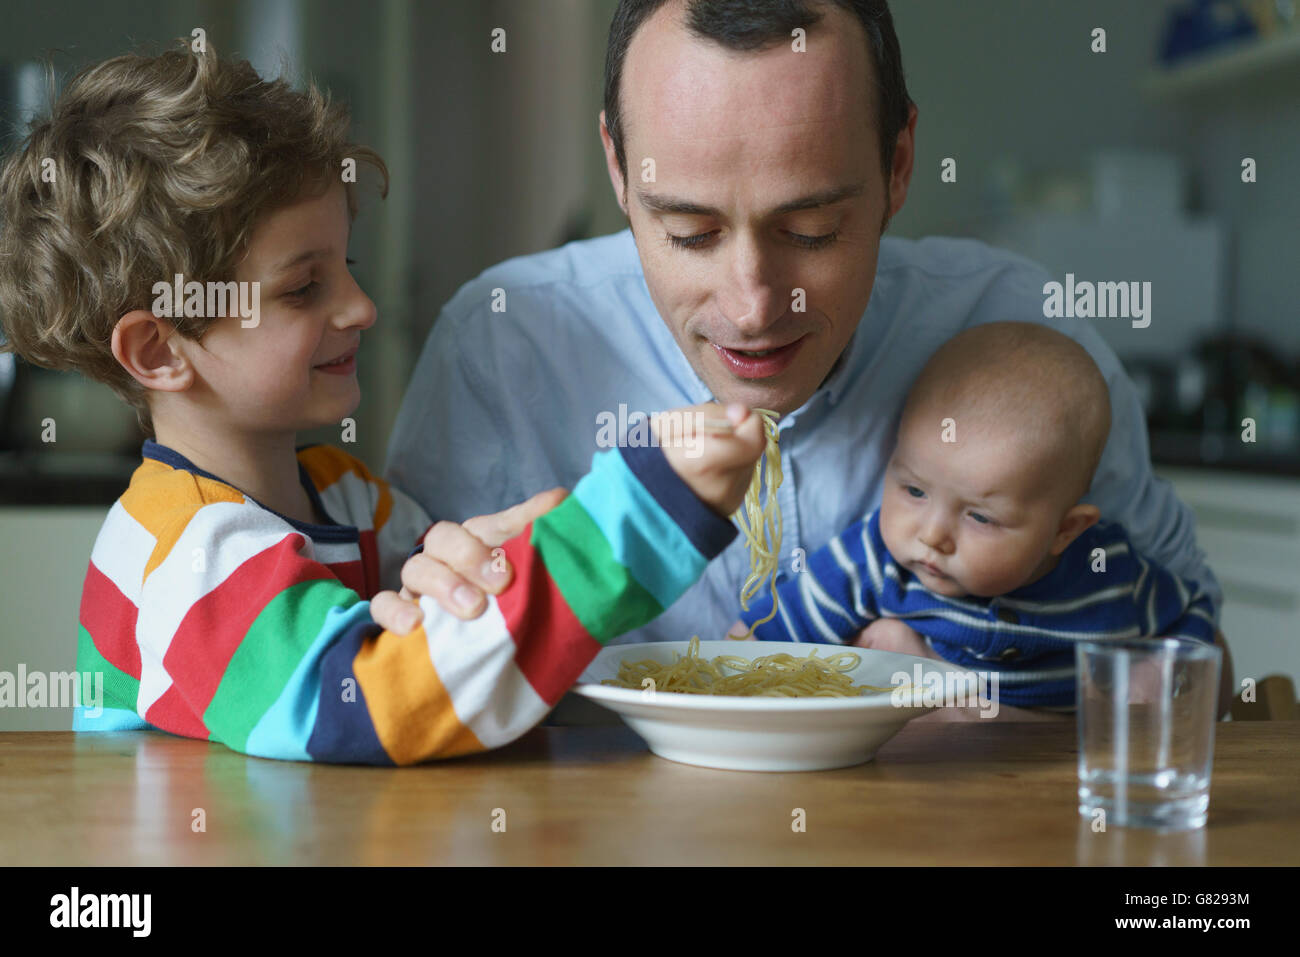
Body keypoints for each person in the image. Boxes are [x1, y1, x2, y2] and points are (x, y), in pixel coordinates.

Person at [378, 0, 1233, 719]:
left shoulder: (1025, 339)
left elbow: (1203, 682)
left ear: (899, 165)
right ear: (616, 167)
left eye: (811, 231)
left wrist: (989, 704)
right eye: (689, 232)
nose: (752, 308)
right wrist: (430, 610)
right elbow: (388, 691)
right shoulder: (500, 346)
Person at [0, 43, 764, 764]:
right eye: (304, 288)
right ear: (161, 351)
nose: (361, 307)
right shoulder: (181, 557)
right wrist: (634, 522)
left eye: (348, 265)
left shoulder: (345, 495)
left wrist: (489, 558)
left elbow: (463, 615)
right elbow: (376, 704)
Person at [730, 322, 1218, 712]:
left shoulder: (1109, 575)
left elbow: (1192, 615)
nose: (932, 535)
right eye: (914, 490)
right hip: (919, 798)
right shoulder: (872, 563)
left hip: (1059, 802)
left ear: (1065, 530)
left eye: (981, 518)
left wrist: (1158, 673)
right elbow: (758, 644)